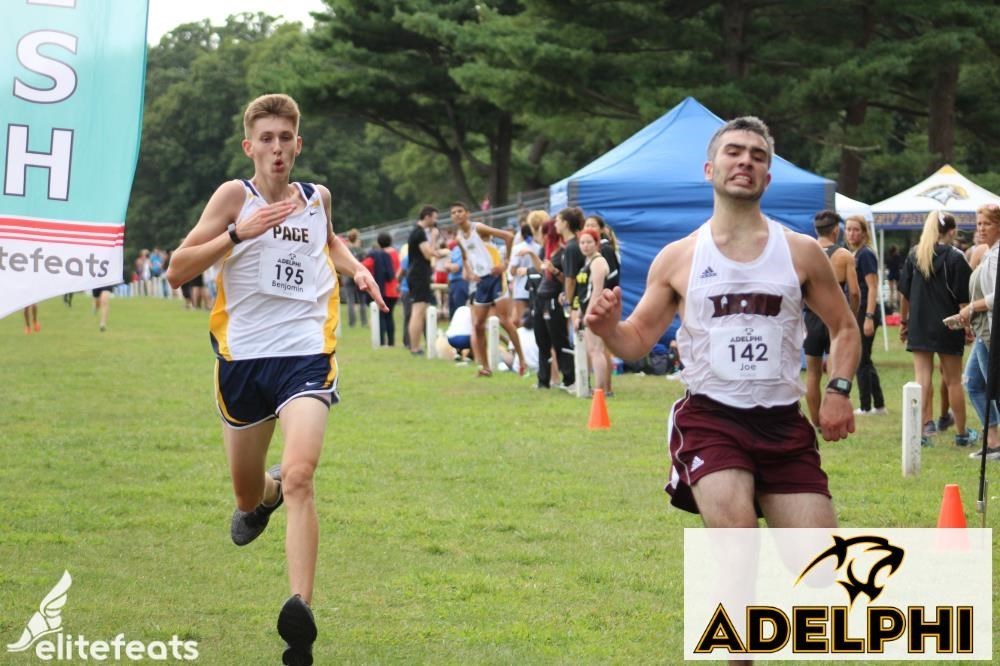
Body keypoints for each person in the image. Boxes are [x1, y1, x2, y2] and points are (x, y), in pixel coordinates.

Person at [164, 93, 386, 666]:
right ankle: (262, 498)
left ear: (298, 143)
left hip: (306, 352)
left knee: (302, 473)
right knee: (247, 491)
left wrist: (356, 267)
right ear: (250, 146)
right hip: (242, 362)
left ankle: (299, 617)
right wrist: (239, 234)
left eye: (286, 138)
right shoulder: (234, 197)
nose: (278, 148)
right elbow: (175, 270)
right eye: (267, 138)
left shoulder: (318, 198)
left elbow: (327, 239)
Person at [586, 115, 859, 528]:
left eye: (757, 156)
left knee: (819, 570)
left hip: (783, 422)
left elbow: (845, 328)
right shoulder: (680, 257)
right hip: (712, 419)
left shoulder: (801, 252)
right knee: (738, 547)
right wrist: (608, 329)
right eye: (733, 152)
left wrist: (838, 389)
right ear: (710, 169)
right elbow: (637, 338)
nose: (745, 162)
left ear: (767, 178)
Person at [898, 210, 976, 446]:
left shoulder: (915, 255)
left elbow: (905, 294)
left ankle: (920, 433)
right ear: (951, 231)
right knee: (953, 380)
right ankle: (962, 434)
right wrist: (968, 326)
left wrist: (904, 322)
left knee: (922, 379)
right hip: (948, 324)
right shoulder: (956, 257)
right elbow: (964, 299)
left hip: (919, 324)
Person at [452, 201, 527, 376]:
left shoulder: (478, 228)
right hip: (482, 281)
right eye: (453, 212)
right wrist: (470, 272)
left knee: (505, 320)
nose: (457, 215)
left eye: (460, 211)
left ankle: (522, 360)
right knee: (478, 324)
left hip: (495, 277)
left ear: (467, 213)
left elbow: (508, 236)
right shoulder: (459, 238)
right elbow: (465, 257)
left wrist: (505, 263)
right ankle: (485, 367)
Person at [802, 210, 859, 426]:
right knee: (834, 373)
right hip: (835, 319)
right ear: (836, 229)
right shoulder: (844, 255)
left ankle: (816, 422)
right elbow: (854, 292)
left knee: (813, 375)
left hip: (811, 320)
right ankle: (833, 419)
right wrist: (851, 317)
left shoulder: (806, 252)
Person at [956, 203, 1000, 459]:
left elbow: (997, 297)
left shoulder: (996, 256)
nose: (981, 229)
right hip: (984, 329)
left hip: (992, 331)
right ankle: (993, 440)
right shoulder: (989, 253)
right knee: (973, 382)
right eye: (979, 223)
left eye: (987, 224)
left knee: (991, 386)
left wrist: (971, 307)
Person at [844, 215, 886, 416]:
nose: (852, 233)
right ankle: (878, 404)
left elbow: (872, 286)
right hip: (860, 311)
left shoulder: (866, 255)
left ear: (864, 232)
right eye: (849, 229)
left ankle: (866, 405)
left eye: (856, 229)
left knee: (860, 358)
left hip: (866, 311)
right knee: (866, 359)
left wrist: (868, 316)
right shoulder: (855, 254)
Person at [576, 228, 615, 396]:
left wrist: (588, 314)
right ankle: (597, 388)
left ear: (596, 243)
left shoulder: (598, 262)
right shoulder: (587, 262)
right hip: (588, 310)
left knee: (597, 350)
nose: (585, 246)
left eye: (588, 242)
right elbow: (583, 291)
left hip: (597, 312)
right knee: (592, 350)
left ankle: (600, 390)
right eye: (582, 243)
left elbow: (597, 291)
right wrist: (579, 313)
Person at [406, 205, 445, 355]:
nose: (436, 221)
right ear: (427, 216)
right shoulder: (419, 233)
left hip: (419, 274)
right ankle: (415, 347)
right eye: (435, 217)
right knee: (418, 310)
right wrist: (434, 238)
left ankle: (416, 346)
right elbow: (428, 254)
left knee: (420, 311)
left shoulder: (418, 232)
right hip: (418, 275)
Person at [363, 232, 400, 346]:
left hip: (383, 289)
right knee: (390, 317)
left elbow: (364, 265)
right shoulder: (395, 253)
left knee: (381, 317)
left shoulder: (377, 254)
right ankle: (391, 342)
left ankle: (381, 342)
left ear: (379, 242)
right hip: (394, 289)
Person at [342, 228, 368, 327]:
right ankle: (364, 322)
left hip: (348, 276)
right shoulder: (361, 250)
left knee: (350, 301)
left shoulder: (345, 249)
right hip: (359, 276)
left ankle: (352, 323)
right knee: (362, 300)